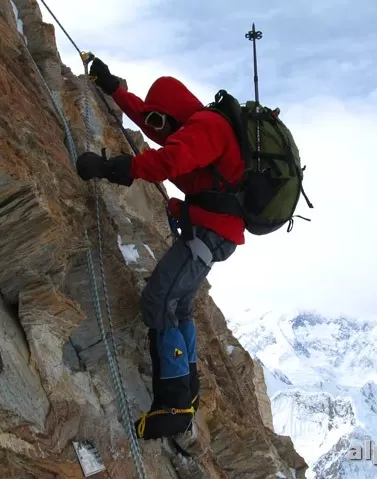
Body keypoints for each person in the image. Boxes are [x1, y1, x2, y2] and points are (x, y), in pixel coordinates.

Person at [75, 58, 245, 440]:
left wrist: (112, 168)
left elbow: (170, 160)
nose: (154, 129)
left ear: (173, 114)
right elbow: (146, 120)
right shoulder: (185, 126)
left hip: (211, 231)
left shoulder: (206, 127)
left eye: (159, 121)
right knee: (177, 305)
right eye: (152, 122)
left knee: (157, 301)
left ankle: (174, 402)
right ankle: (189, 388)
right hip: (210, 230)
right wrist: (113, 86)